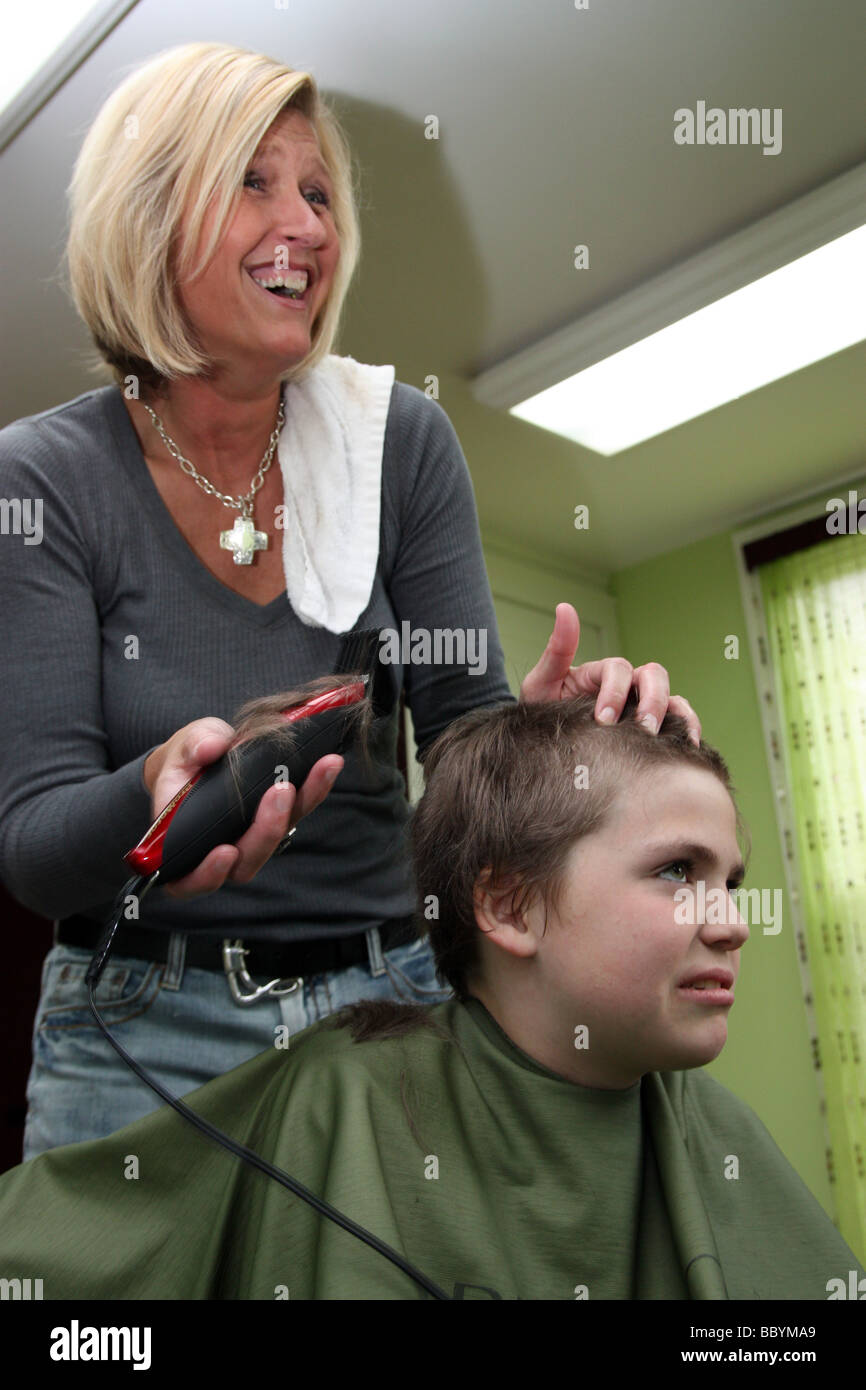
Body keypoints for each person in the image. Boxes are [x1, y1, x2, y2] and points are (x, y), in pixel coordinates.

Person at [0, 41, 700, 1160]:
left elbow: (464, 739)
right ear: (145, 217)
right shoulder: (39, 479)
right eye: (255, 181)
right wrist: (159, 795)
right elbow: (35, 846)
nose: (310, 226)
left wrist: (542, 738)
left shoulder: (398, 444)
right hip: (131, 1030)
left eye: (318, 192)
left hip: (383, 1004)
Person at [0, 687, 859, 1301]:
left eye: (732, 883)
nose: (733, 923)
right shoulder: (347, 1096)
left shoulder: (714, 1131)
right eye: (677, 872)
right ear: (509, 903)